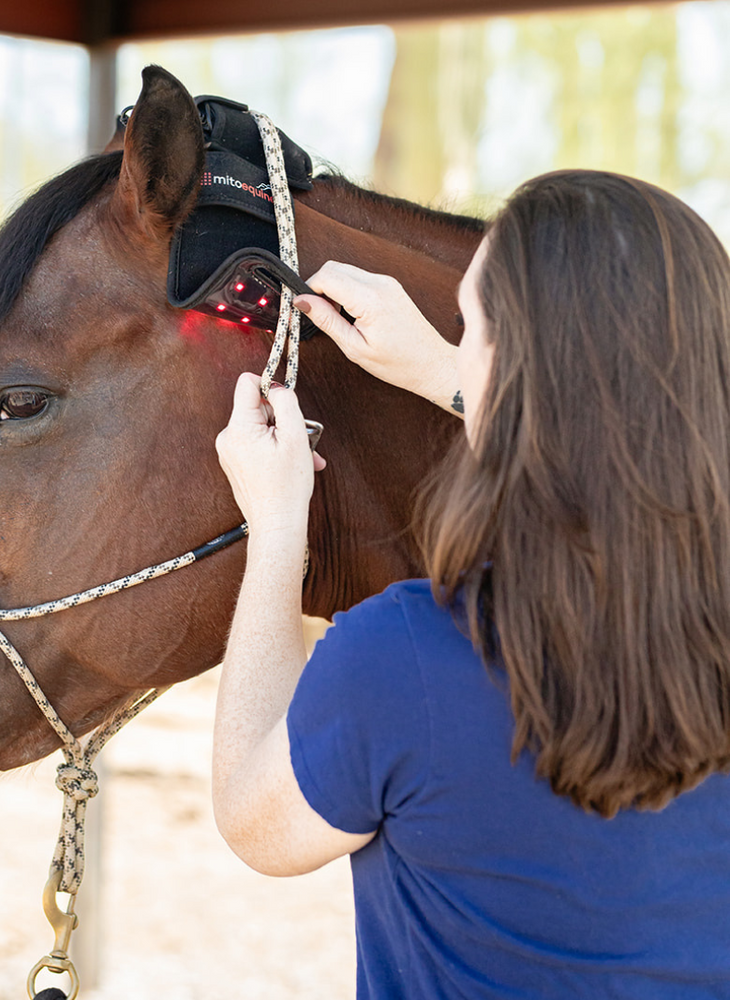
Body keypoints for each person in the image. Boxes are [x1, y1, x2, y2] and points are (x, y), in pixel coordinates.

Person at [212, 169, 730, 998]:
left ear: (522, 372)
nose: (457, 343)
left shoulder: (406, 657)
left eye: (472, 324)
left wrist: (277, 530)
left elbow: (252, 816)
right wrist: (447, 375)